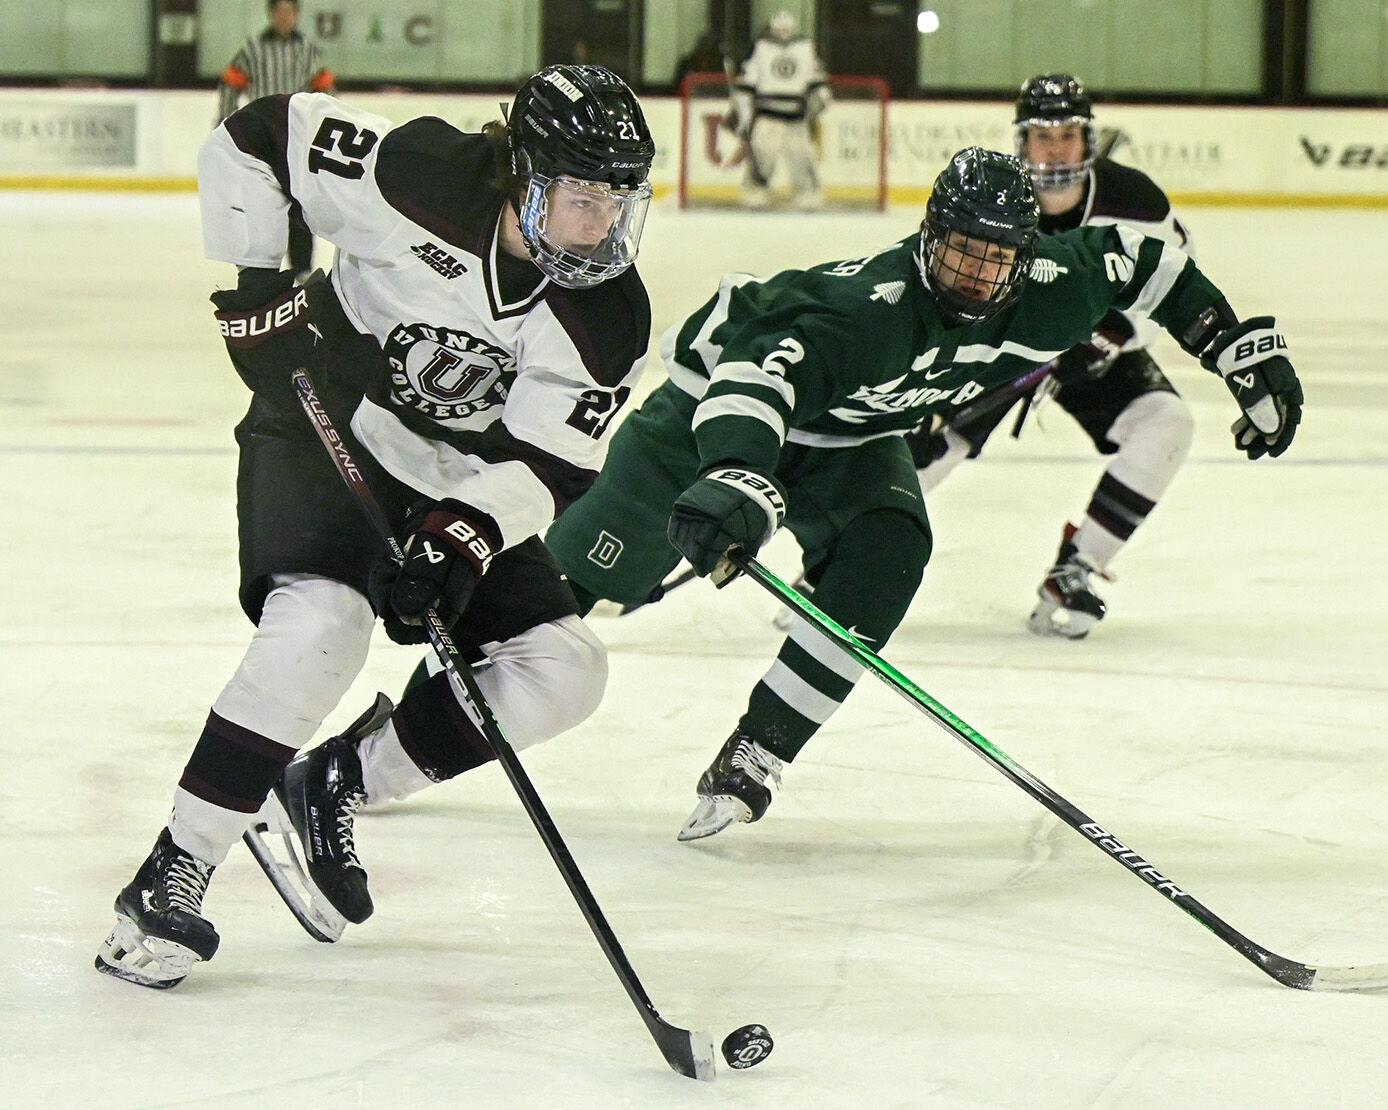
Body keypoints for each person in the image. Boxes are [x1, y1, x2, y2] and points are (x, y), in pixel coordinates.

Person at [543, 147, 1303, 841]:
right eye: (962, 256)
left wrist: (1232, 343)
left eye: (996, 260)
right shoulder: (870, 306)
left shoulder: (1053, 288)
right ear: (929, 238)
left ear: (1025, 256)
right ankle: (453, 691)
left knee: (891, 549)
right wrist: (738, 468)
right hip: (706, 418)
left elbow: (1145, 261)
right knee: (566, 595)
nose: (977, 277)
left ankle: (758, 750)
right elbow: (755, 373)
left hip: (854, 440)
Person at [95, 65, 656, 988]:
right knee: (324, 627)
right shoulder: (418, 173)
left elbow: (554, 462)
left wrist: (467, 531)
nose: (601, 227)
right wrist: (260, 289)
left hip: (451, 478)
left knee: (565, 669)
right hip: (323, 419)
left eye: (618, 203)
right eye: (581, 198)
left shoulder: (610, 313)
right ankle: (176, 868)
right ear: (524, 173)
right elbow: (262, 134)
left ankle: (336, 781)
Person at [906, 74, 1199, 639]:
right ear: (1022, 142)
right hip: (1005, 341)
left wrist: (1116, 329)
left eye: (1068, 133)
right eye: (1043, 135)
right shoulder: (993, 197)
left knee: (1166, 423)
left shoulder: (1134, 201)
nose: (1057, 146)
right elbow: (944, 279)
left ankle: (1077, 567)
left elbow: (1174, 276)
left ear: (1087, 139)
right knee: (936, 441)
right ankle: (838, 561)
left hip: (1093, 349)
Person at [216, 0, 336, 277]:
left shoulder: (306, 49)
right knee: (262, 203)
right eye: (279, 12)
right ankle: (262, 269)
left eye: (289, 12)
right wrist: (228, 122)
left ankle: (302, 269)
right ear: (271, 15)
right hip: (261, 138)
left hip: (297, 137)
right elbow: (229, 83)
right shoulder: (254, 48)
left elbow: (325, 88)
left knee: (300, 202)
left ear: (296, 15)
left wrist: (324, 126)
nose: (284, 17)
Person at [726, 10, 829, 209]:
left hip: (796, 116)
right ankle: (756, 189)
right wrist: (742, 104)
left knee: (801, 156)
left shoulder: (805, 48)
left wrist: (820, 98)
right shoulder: (762, 48)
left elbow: (816, 79)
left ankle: (807, 191)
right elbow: (749, 80)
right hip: (768, 115)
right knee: (762, 155)